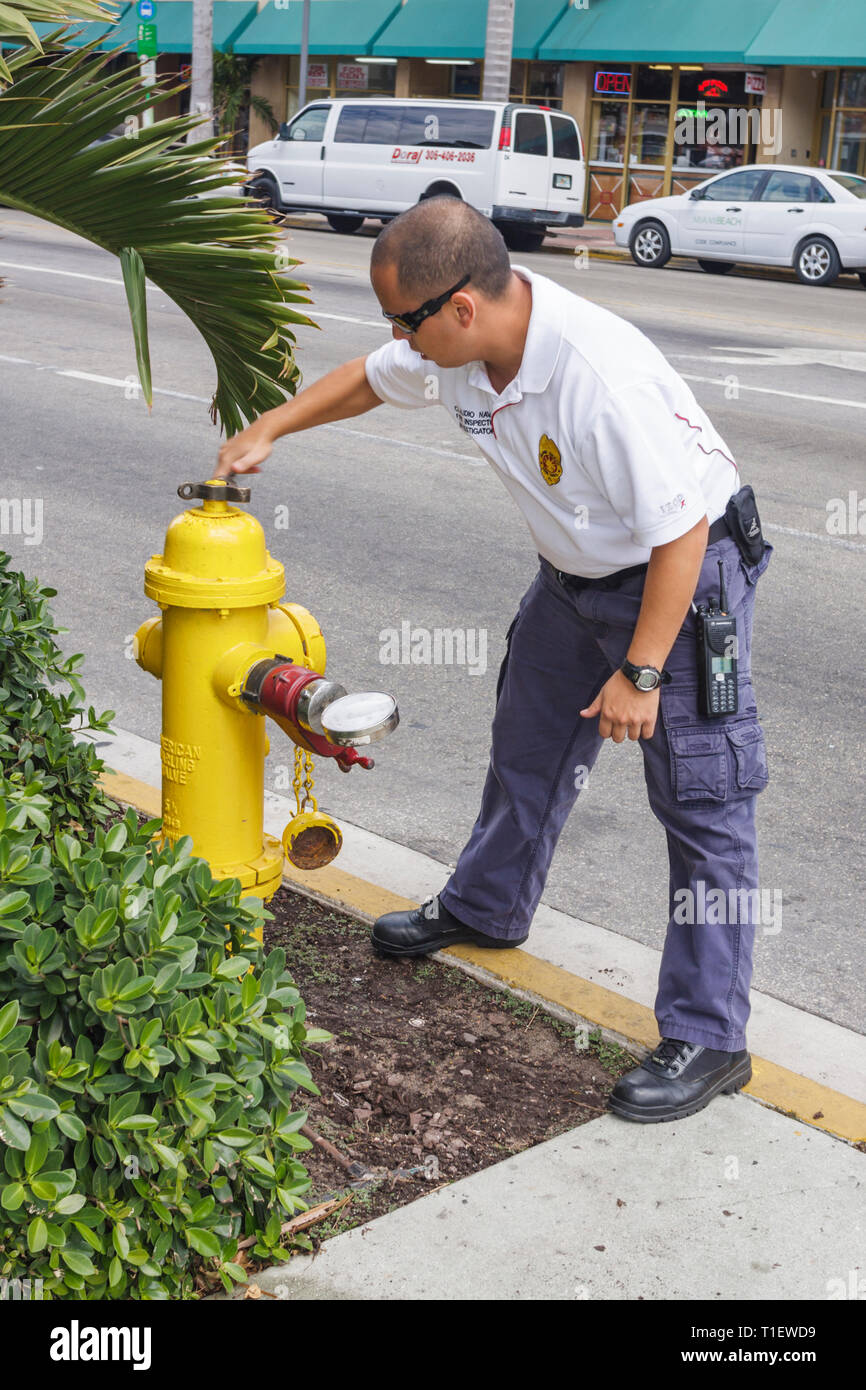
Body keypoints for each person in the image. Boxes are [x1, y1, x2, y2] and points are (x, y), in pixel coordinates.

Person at [216, 197, 773, 1124]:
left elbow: (682, 531)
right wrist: (270, 427)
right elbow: (365, 379)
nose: (399, 339)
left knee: (703, 804)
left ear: (462, 307)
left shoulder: (600, 379)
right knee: (527, 747)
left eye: (405, 320)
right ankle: (487, 906)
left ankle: (711, 1036)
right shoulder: (463, 346)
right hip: (574, 578)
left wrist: (641, 673)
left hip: (684, 579)